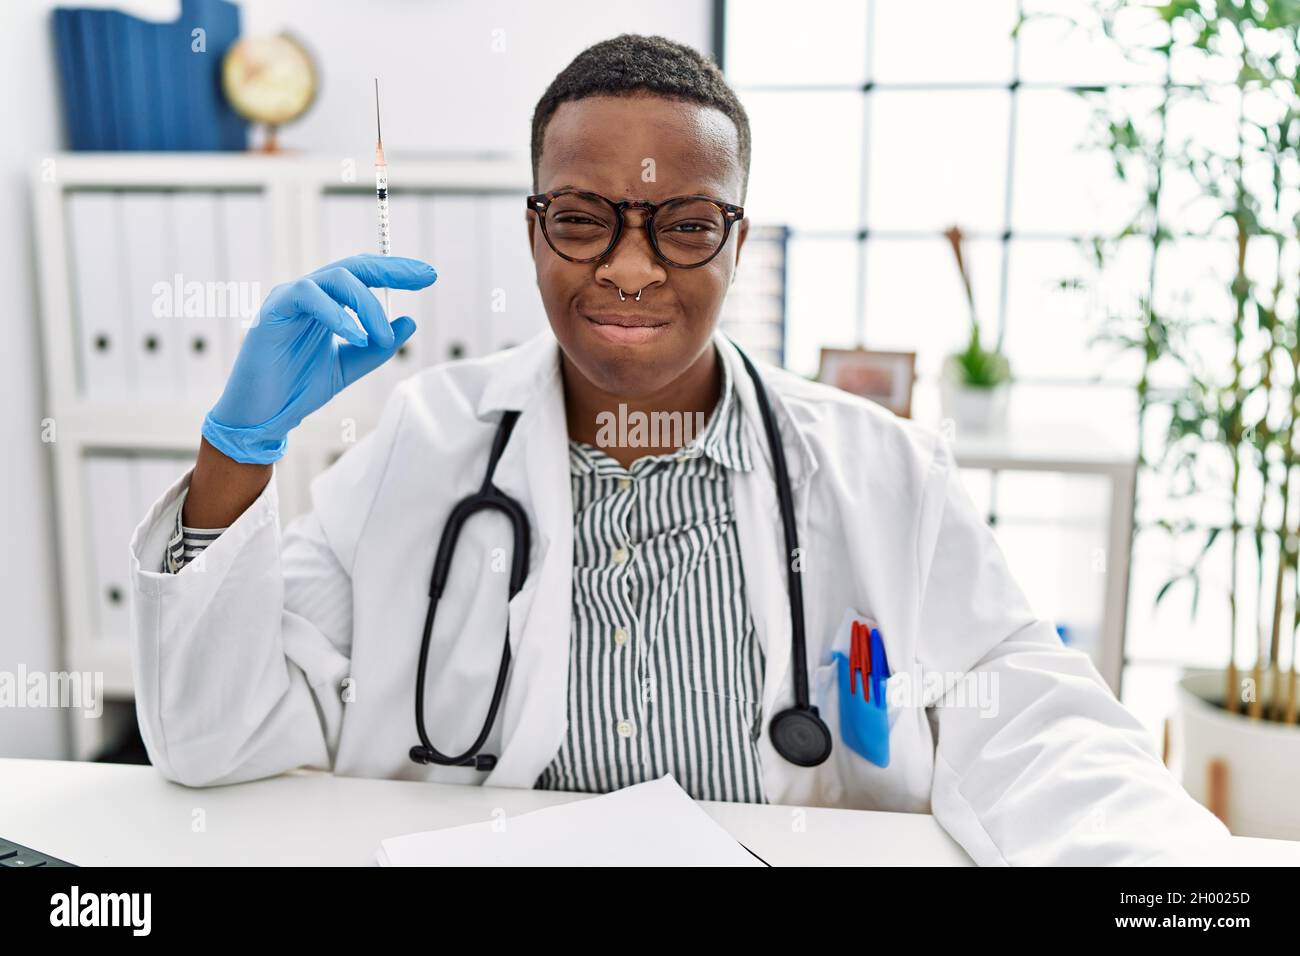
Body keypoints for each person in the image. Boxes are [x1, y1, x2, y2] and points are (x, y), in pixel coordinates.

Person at [128, 34, 1229, 864]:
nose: (629, 267)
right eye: (581, 217)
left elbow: (1039, 723)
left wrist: (1182, 885)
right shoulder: (422, 444)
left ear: (737, 240)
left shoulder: (877, 467)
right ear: (534, 227)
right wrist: (240, 450)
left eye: (684, 223)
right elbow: (213, 739)